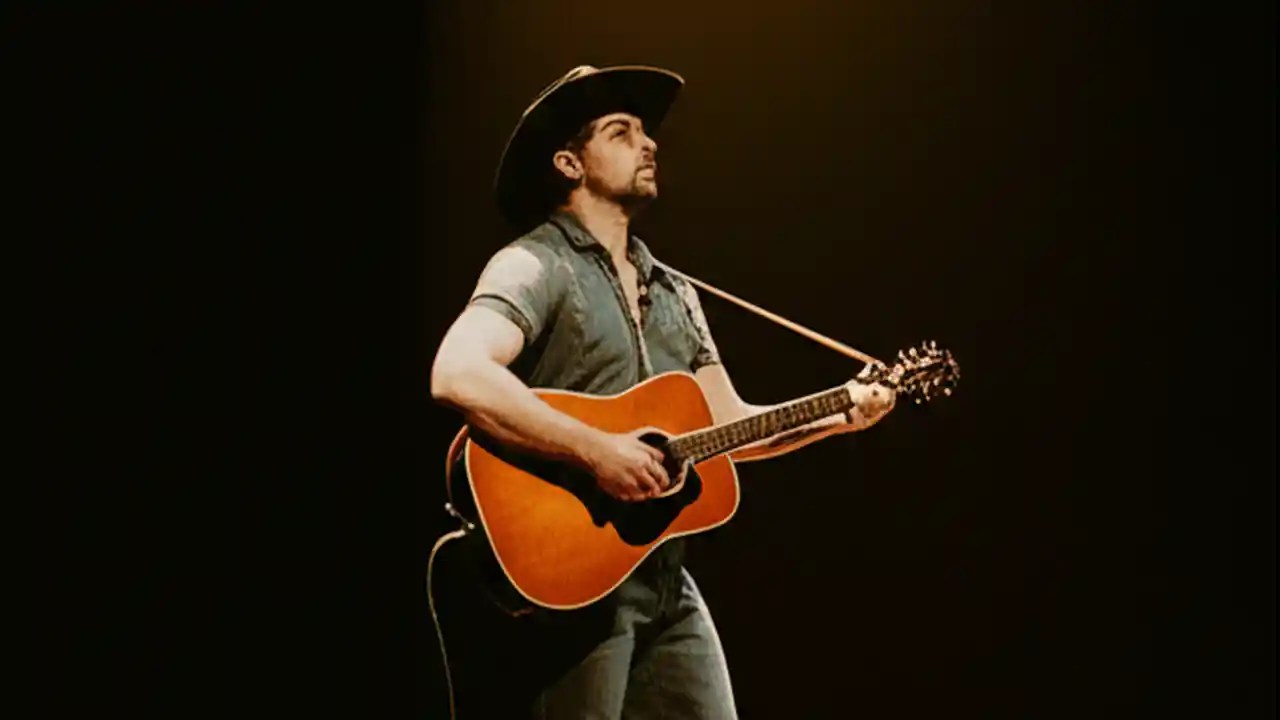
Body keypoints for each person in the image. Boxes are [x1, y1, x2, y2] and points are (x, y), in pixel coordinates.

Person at [430, 64, 896, 720]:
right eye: (620, 133)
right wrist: (598, 451)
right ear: (569, 163)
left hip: (664, 580)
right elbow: (457, 372)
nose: (648, 143)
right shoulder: (535, 265)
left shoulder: (676, 293)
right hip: (570, 580)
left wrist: (840, 412)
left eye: (646, 132)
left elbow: (731, 428)